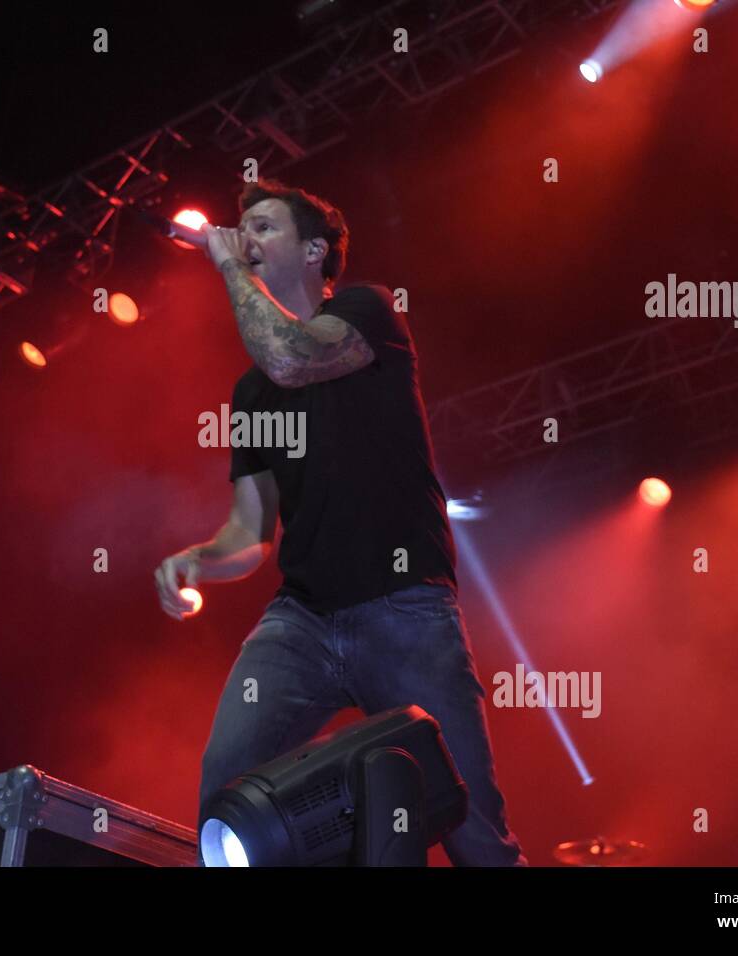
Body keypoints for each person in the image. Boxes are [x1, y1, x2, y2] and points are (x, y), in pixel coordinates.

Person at [153, 178, 526, 866]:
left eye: (265, 228)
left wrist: (230, 264)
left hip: (404, 605)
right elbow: (250, 533)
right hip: (303, 620)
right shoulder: (251, 391)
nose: (248, 238)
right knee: (225, 801)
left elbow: (291, 355)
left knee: (474, 832)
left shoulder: (367, 310)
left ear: (315, 250)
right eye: (245, 229)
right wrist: (199, 558)